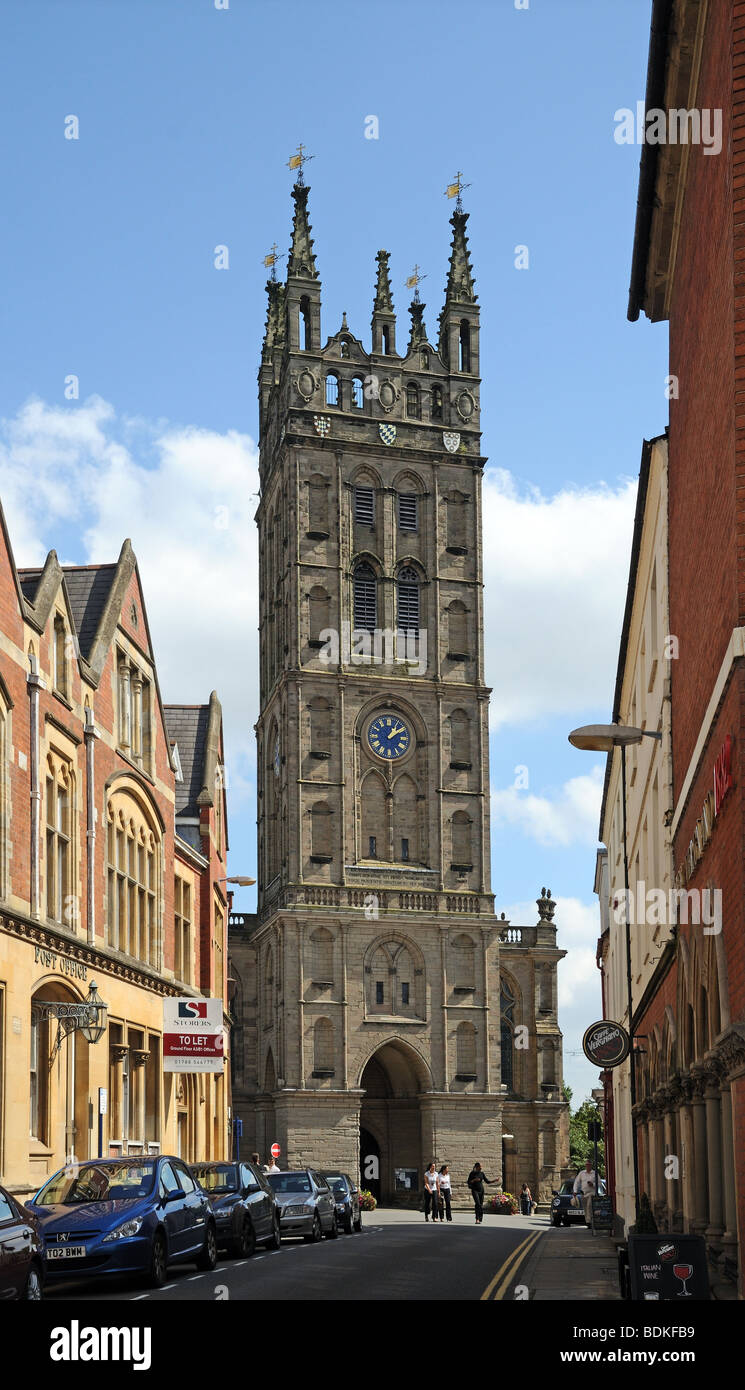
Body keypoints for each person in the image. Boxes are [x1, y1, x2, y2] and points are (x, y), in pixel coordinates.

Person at [572, 1160, 598, 1225]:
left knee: (589, 1206)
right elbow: (576, 1182)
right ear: (585, 1166)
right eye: (587, 1165)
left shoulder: (595, 1173)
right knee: (585, 1208)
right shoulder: (581, 1173)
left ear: (591, 1166)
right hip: (583, 1193)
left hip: (592, 1193)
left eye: (589, 1165)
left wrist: (593, 1184)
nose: (588, 1166)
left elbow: (599, 1184)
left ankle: (590, 1221)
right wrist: (575, 1191)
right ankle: (588, 1222)